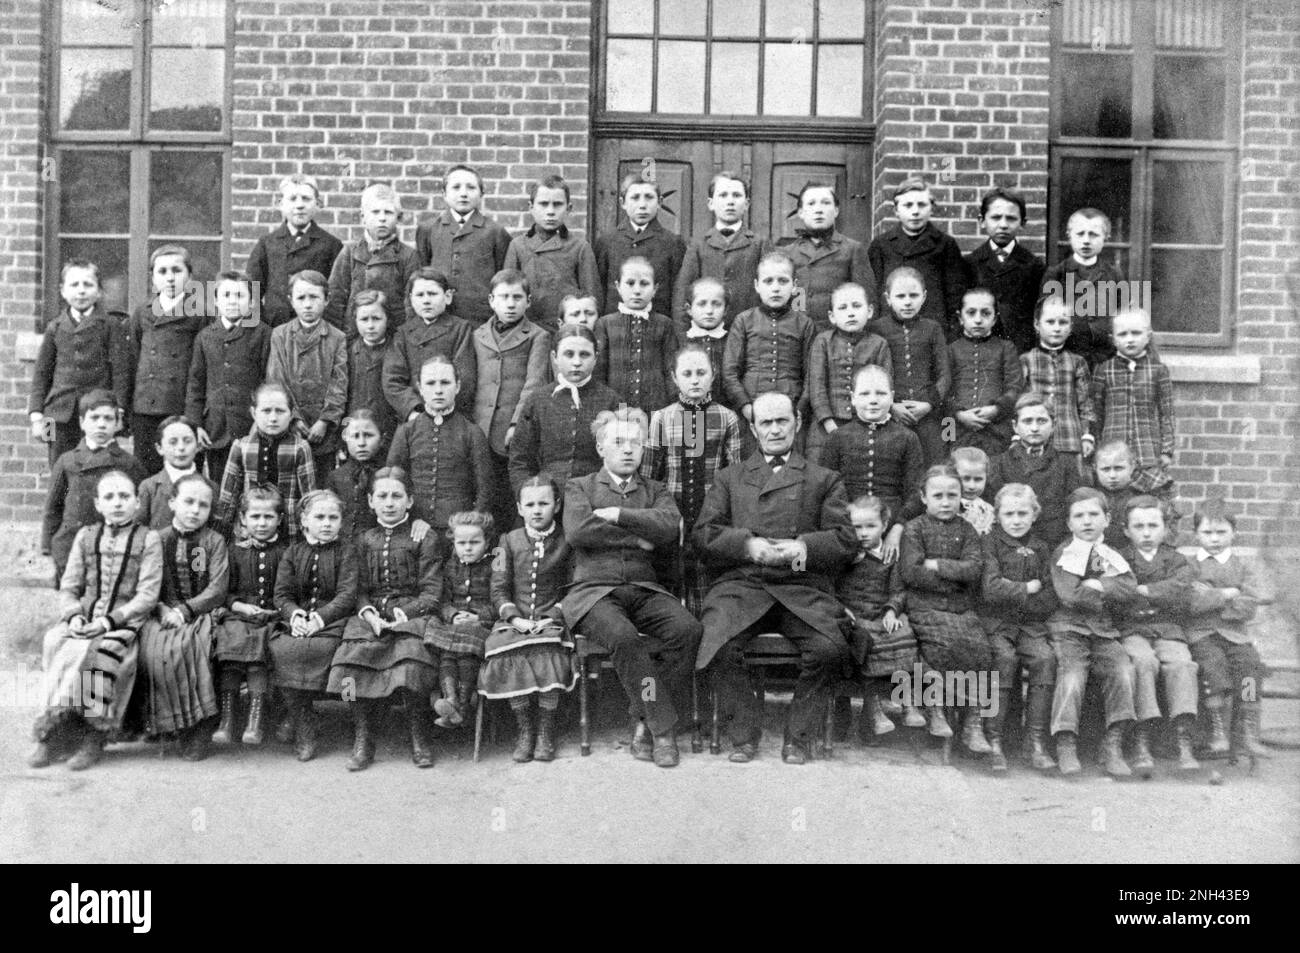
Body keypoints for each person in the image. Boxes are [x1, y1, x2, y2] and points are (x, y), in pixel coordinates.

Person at [695, 392, 857, 764]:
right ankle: (744, 734)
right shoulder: (730, 478)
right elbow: (703, 535)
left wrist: (803, 547)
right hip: (744, 583)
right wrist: (747, 546)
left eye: (782, 421)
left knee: (828, 649)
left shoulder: (823, 479)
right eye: (766, 423)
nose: (774, 429)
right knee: (717, 643)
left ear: (797, 424)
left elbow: (845, 540)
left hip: (801, 584)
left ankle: (798, 737)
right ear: (753, 429)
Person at [564, 407, 702, 768]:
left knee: (687, 630)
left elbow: (669, 528)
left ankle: (643, 718)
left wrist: (620, 516)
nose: (628, 450)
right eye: (619, 442)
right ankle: (661, 728)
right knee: (624, 638)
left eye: (636, 443)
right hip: (594, 592)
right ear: (600, 447)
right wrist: (641, 535)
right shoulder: (580, 487)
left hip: (643, 587)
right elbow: (579, 531)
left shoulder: (655, 490)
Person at [29, 471, 163, 771]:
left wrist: (108, 622)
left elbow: (147, 595)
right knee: (56, 640)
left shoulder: (148, 539)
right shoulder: (86, 536)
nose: (117, 503)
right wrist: (74, 615)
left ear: (137, 502)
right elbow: (70, 586)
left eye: (124, 497)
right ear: (98, 504)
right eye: (110, 497)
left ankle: (94, 733)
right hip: (85, 617)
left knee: (105, 651)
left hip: (124, 620)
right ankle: (54, 728)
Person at [327, 467, 442, 770]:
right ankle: (363, 733)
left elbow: (432, 592)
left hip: (414, 613)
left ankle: (419, 734)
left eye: (397, 496)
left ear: (410, 500)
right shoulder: (362, 540)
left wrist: (403, 615)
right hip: (370, 614)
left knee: (412, 661)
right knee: (348, 667)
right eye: (382, 496)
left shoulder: (424, 538)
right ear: (370, 501)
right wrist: (368, 613)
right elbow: (357, 588)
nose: (389, 503)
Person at [640, 344, 743, 616]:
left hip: (711, 513)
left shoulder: (726, 417)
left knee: (708, 580)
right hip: (673, 512)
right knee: (673, 576)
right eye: (687, 373)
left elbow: (735, 476)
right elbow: (649, 475)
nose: (695, 379)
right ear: (675, 378)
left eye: (701, 372)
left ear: (713, 374)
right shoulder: (662, 418)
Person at [899, 464, 995, 754]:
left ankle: (974, 722)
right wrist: (953, 576)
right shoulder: (914, 529)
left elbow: (975, 569)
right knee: (938, 646)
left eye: (952, 495)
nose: (945, 502)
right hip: (923, 605)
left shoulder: (967, 530)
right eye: (937, 495)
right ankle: (935, 709)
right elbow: (912, 572)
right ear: (924, 497)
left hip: (960, 607)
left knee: (981, 648)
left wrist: (937, 565)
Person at [482, 476, 578, 762]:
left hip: (552, 620)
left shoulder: (569, 540)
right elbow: (497, 587)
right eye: (530, 504)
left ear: (557, 505)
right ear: (520, 508)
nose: (537, 510)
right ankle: (525, 730)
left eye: (544, 503)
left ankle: (546, 732)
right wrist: (514, 618)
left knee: (549, 654)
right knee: (509, 657)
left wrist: (552, 617)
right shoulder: (504, 542)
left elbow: (576, 586)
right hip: (516, 620)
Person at [1047, 487, 1140, 776]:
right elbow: (1070, 595)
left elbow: (1128, 588)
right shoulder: (1067, 552)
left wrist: (1098, 585)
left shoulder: (1108, 554)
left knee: (1123, 670)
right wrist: (1104, 591)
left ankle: (1112, 745)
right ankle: (1066, 743)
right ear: (1069, 523)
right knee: (1073, 676)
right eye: (1079, 516)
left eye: (1093, 514)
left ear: (1107, 519)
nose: (1087, 521)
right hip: (1070, 628)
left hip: (1103, 631)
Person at [137, 473, 229, 761]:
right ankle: (167, 725)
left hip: (201, 612)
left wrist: (185, 610)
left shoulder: (213, 541)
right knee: (155, 650)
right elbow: (147, 583)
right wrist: (162, 608)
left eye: (203, 505)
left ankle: (198, 728)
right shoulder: (157, 540)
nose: (194, 510)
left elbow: (217, 587)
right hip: (163, 611)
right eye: (188, 502)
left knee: (195, 646)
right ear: (173, 502)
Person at [272, 489, 359, 761]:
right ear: (304, 521)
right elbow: (282, 594)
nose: (326, 523)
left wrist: (320, 618)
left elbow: (347, 594)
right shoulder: (292, 552)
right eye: (319, 517)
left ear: (341, 522)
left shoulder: (347, 551)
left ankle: (347, 722)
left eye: (333, 517)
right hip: (297, 622)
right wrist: (295, 615)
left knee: (328, 650)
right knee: (282, 649)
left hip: (333, 620)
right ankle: (303, 719)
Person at [1117, 496, 1201, 772]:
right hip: (1132, 629)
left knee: (1182, 664)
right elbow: (1118, 592)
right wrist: (1157, 595)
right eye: (1138, 526)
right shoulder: (1118, 558)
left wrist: (1146, 591)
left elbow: (1182, 590)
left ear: (1165, 529)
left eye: (1153, 525)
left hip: (1168, 629)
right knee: (1143, 662)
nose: (1146, 533)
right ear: (1127, 530)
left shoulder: (1177, 560)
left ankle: (1183, 737)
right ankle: (1142, 736)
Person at [834, 496, 928, 743]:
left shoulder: (890, 555)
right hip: (854, 615)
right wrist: (840, 608)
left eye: (870, 526)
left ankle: (907, 703)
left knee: (905, 633)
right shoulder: (842, 556)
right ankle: (874, 708)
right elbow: (829, 588)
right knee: (864, 641)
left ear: (884, 526)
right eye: (857, 527)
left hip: (880, 613)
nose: (863, 533)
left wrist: (891, 611)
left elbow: (898, 590)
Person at [979, 483, 1058, 770]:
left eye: (1023, 513)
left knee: (1045, 659)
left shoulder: (1040, 547)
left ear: (1034, 515)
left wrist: (1021, 599)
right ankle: (993, 739)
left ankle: (1034, 741)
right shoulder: (989, 543)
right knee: (1004, 660)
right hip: (996, 623)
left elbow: (1050, 594)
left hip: (1029, 625)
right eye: (1009, 513)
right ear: (997, 515)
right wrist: (1027, 588)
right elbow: (990, 588)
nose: (1016, 520)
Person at [1186, 504, 1271, 759]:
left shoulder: (1243, 567)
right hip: (1201, 635)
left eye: (1221, 532)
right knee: (1213, 668)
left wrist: (1210, 598)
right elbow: (1190, 603)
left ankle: (1247, 732)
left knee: (1250, 669)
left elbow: (1248, 606)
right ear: (1196, 534)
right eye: (1208, 532)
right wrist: (1227, 594)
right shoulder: (1189, 566)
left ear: (1234, 533)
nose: (1214, 539)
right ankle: (1217, 731)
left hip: (1235, 635)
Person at [813, 364, 923, 560]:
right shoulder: (837, 437)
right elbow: (826, 490)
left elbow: (915, 491)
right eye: (864, 394)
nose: (873, 400)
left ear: (891, 396)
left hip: (893, 525)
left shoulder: (908, 438)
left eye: (880, 393)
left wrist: (898, 528)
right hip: (848, 525)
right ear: (853, 398)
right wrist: (847, 530)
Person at [29, 260, 131, 466]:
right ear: (62, 291)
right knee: (58, 464)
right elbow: (42, 374)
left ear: (99, 291)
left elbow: (121, 372)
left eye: (88, 285)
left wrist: (118, 411)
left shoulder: (110, 325)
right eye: (74, 285)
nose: (81, 291)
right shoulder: (55, 327)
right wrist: (37, 417)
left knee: (99, 464)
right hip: (56, 414)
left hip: (97, 412)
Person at [472, 269, 552, 529]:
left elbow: (534, 384)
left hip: (511, 433)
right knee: (483, 497)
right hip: (481, 428)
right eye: (503, 297)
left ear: (528, 301)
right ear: (491, 300)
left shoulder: (537, 336)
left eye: (517, 297)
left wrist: (516, 424)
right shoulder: (477, 335)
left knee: (510, 501)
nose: (510, 303)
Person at [43, 390, 147, 584]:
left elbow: (141, 509)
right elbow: (53, 507)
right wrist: (48, 547)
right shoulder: (67, 461)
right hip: (70, 546)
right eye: (94, 418)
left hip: (111, 550)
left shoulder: (128, 463)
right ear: (82, 423)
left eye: (108, 418)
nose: (101, 424)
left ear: (117, 423)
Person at [125, 244, 210, 475]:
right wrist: (128, 410)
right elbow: (132, 361)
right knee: (145, 474)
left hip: (181, 407)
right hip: (146, 408)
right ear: (153, 278)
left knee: (186, 475)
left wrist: (195, 415)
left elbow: (202, 368)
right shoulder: (142, 311)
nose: (170, 278)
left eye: (177, 270)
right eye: (162, 272)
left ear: (189, 276)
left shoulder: (201, 313)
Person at [507, 323, 622, 495]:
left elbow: (624, 459)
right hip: (547, 501)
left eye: (584, 355)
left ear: (596, 358)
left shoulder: (614, 400)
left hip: (596, 498)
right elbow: (520, 460)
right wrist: (530, 497)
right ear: (554, 357)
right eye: (569, 354)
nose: (576, 362)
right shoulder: (537, 400)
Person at [211, 485, 285, 747]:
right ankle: (228, 718)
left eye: (268, 517)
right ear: (242, 518)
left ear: (280, 519)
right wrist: (239, 606)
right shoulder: (233, 551)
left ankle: (256, 718)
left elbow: (290, 592)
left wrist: (277, 610)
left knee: (258, 656)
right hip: (239, 615)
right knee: (231, 646)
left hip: (273, 618)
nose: (262, 523)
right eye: (255, 516)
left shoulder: (286, 552)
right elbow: (224, 591)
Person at [386, 355, 493, 533]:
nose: (438, 390)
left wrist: (468, 525)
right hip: (413, 528)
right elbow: (393, 481)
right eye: (430, 383)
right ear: (420, 388)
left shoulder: (472, 432)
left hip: (458, 531)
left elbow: (485, 488)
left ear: (457, 386)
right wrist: (409, 520)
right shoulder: (407, 431)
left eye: (445, 383)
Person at [186, 269, 272, 479]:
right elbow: (196, 384)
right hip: (216, 427)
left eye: (240, 296)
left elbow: (268, 381)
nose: (232, 301)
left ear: (251, 303)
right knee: (219, 482)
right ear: (215, 301)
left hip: (250, 427)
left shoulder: (262, 334)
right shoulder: (205, 337)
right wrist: (195, 425)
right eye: (226, 295)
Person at [722, 251, 815, 441]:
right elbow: (729, 372)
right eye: (768, 281)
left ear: (794, 286)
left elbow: (812, 374)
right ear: (757, 285)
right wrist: (746, 407)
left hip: (791, 411)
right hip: (751, 410)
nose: (775, 288)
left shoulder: (804, 324)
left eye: (783, 281)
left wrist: (798, 410)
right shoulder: (743, 321)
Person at [266, 269, 349, 479]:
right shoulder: (280, 335)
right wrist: (292, 418)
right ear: (291, 301)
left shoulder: (337, 338)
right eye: (301, 298)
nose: (308, 304)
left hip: (323, 431)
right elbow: (277, 380)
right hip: (289, 426)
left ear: (327, 300)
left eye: (314, 297)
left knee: (320, 480)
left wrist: (325, 420)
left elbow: (339, 383)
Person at [212, 382, 317, 541]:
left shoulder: (300, 448)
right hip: (250, 532)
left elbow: (308, 497)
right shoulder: (241, 446)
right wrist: (221, 534)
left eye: (280, 411)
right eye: (266, 411)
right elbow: (228, 496)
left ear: (291, 414)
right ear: (254, 413)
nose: (273, 418)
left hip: (289, 534)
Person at [1091, 307, 1175, 497]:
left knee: (1148, 501)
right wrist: (1098, 448)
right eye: (1123, 334)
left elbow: (1166, 413)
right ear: (1113, 339)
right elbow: (1095, 413)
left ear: (1148, 336)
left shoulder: (1158, 370)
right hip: (1114, 451)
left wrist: (1166, 451)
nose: (1129, 339)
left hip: (1147, 451)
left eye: (1136, 333)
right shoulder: (1104, 370)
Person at [414, 163, 511, 327]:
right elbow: (421, 273)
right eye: (456, 187)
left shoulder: (495, 232)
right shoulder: (428, 229)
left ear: (481, 194)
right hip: (439, 318)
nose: (463, 193)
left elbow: (503, 279)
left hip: (480, 320)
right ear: (444, 194)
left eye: (471, 188)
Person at [872, 265, 951, 465]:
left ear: (924, 297)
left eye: (913, 295)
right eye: (900, 296)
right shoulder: (877, 328)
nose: (907, 302)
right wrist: (891, 406)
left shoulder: (932, 328)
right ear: (888, 298)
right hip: (891, 414)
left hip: (928, 414)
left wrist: (929, 404)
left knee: (933, 461)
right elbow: (873, 373)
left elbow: (944, 374)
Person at [867, 178, 966, 337]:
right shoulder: (881, 245)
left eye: (922, 205)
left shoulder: (945, 245)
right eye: (908, 205)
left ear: (931, 208)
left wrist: (951, 334)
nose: (915, 211)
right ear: (896, 210)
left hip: (932, 331)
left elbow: (955, 297)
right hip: (890, 331)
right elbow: (872, 292)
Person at [503, 173, 599, 336]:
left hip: (567, 333)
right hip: (526, 333)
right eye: (543, 204)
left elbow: (592, 300)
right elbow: (507, 294)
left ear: (569, 208)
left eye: (557, 204)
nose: (550, 211)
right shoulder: (518, 246)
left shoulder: (579, 247)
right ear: (530, 207)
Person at [673, 171, 770, 331]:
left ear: (746, 204)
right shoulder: (698, 245)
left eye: (736, 195)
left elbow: (768, 294)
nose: (730, 201)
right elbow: (682, 296)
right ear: (711, 203)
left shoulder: (760, 244)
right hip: (705, 335)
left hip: (749, 333)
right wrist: (686, 340)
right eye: (723, 195)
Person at [426, 510, 496, 729]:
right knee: (447, 651)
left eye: (474, 542)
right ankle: (452, 701)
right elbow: (442, 599)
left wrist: (480, 616)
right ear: (453, 543)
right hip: (454, 621)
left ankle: (462, 705)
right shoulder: (449, 566)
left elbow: (500, 597)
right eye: (461, 542)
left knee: (467, 652)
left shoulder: (495, 565)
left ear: (486, 542)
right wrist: (453, 615)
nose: (467, 548)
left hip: (481, 623)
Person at [246, 173, 344, 329]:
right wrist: (262, 328)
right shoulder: (267, 243)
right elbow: (252, 290)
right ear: (280, 204)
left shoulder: (331, 245)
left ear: (317, 204)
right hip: (275, 330)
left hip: (316, 331)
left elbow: (336, 295)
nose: (299, 205)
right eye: (292, 199)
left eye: (306, 199)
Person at [806, 281, 891, 458]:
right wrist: (828, 422)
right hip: (825, 426)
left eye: (857, 306)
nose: (850, 312)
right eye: (843, 308)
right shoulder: (823, 341)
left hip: (864, 424)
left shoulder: (878, 344)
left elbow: (885, 387)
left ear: (869, 311)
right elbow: (817, 386)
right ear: (832, 316)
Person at [987, 392, 1083, 547]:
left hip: (1055, 545)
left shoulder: (1066, 464)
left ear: (1054, 425)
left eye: (1042, 421)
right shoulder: (999, 464)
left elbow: (1076, 509)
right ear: (1015, 426)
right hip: (1009, 548)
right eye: (1027, 421)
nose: (1034, 428)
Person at [382, 267, 476, 419]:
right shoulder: (403, 333)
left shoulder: (460, 329)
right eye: (420, 295)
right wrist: (414, 410)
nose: (426, 300)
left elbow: (464, 379)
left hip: (451, 414)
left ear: (447, 296)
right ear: (411, 299)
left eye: (432, 294)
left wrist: (443, 409)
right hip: (415, 415)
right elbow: (392, 380)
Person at [326, 181, 419, 334]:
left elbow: (412, 304)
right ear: (363, 216)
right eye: (375, 212)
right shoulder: (349, 253)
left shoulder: (408, 256)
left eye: (388, 212)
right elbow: (335, 301)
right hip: (354, 336)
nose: (382, 218)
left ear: (398, 217)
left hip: (393, 336)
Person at [784, 183, 876, 335]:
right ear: (800, 212)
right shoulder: (787, 253)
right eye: (811, 203)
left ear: (836, 211)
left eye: (826, 203)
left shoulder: (852, 249)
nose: (819, 209)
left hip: (836, 339)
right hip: (797, 336)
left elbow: (868, 299)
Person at [1040, 207, 1126, 368]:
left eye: (1093, 234)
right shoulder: (1056, 274)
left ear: (1105, 238)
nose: (1086, 240)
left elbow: (1125, 316)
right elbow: (1044, 321)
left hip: (1105, 359)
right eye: (1080, 234)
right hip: (1067, 360)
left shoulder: (1114, 274)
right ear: (1069, 236)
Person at [1019, 296, 1095, 478]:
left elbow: (1086, 403)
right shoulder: (1026, 360)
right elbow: (1019, 401)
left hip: (1069, 438)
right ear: (1037, 325)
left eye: (1063, 322)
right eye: (1050, 322)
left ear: (1070, 328)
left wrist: (1086, 435)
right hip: (1036, 436)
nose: (1056, 327)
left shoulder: (1077, 362)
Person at [595, 170, 686, 319]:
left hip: (657, 328)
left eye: (649, 198)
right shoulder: (607, 242)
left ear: (660, 202)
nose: (642, 205)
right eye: (635, 198)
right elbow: (598, 291)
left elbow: (679, 295)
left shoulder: (673, 243)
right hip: (615, 328)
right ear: (622, 203)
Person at [593, 256, 679, 413]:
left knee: (655, 436)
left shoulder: (665, 324)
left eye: (644, 284)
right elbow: (599, 372)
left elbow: (671, 369)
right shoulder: (605, 324)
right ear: (618, 287)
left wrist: (672, 407)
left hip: (656, 407)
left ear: (655, 289)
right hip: (618, 407)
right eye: (630, 283)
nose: (637, 290)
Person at [963, 187, 1044, 353]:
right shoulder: (969, 264)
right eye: (996, 217)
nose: (1003, 225)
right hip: (980, 349)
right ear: (982, 221)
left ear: (1023, 223)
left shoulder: (1034, 266)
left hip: (1020, 350)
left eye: (1011, 218)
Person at [945, 287, 1022, 455]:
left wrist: (995, 410)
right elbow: (943, 390)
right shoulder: (950, 350)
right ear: (960, 318)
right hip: (956, 426)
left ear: (995, 319)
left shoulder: (1006, 348)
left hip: (996, 427)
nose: (978, 320)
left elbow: (1014, 387)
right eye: (971, 313)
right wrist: (959, 414)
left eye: (986, 313)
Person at [136, 415, 215, 530]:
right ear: (159, 448)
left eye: (187, 441)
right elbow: (138, 529)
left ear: (198, 446)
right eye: (173, 442)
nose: (181, 447)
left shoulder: (210, 487)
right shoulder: (149, 487)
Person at [346, 289, 400, 447]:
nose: (370, 326)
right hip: (356, 432)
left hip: (389, 431)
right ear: (355, 320)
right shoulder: (347, 352)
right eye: (364, 319)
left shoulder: (397, 350)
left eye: (376, 319)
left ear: (387, 319)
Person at [681, 277, 730, 406]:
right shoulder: (683, 342)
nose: (709, 311)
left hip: (724, 409)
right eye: (702, 304)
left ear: (725, 310)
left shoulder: (731, 341)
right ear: (689, 309)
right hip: (689, 409)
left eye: (716, 304)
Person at [1093, 440, 1139, 548]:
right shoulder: (1091, 499)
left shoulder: (1139, 500)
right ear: (1095, 468)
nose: (1112, 475)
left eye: (1118, 468)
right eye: (1106, 469)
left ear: (1132, 467)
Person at [950, 446, 995, 537]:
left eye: (978, 479)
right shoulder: (945, 507)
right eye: (965, 479)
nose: (972, 486)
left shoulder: (990, 511)